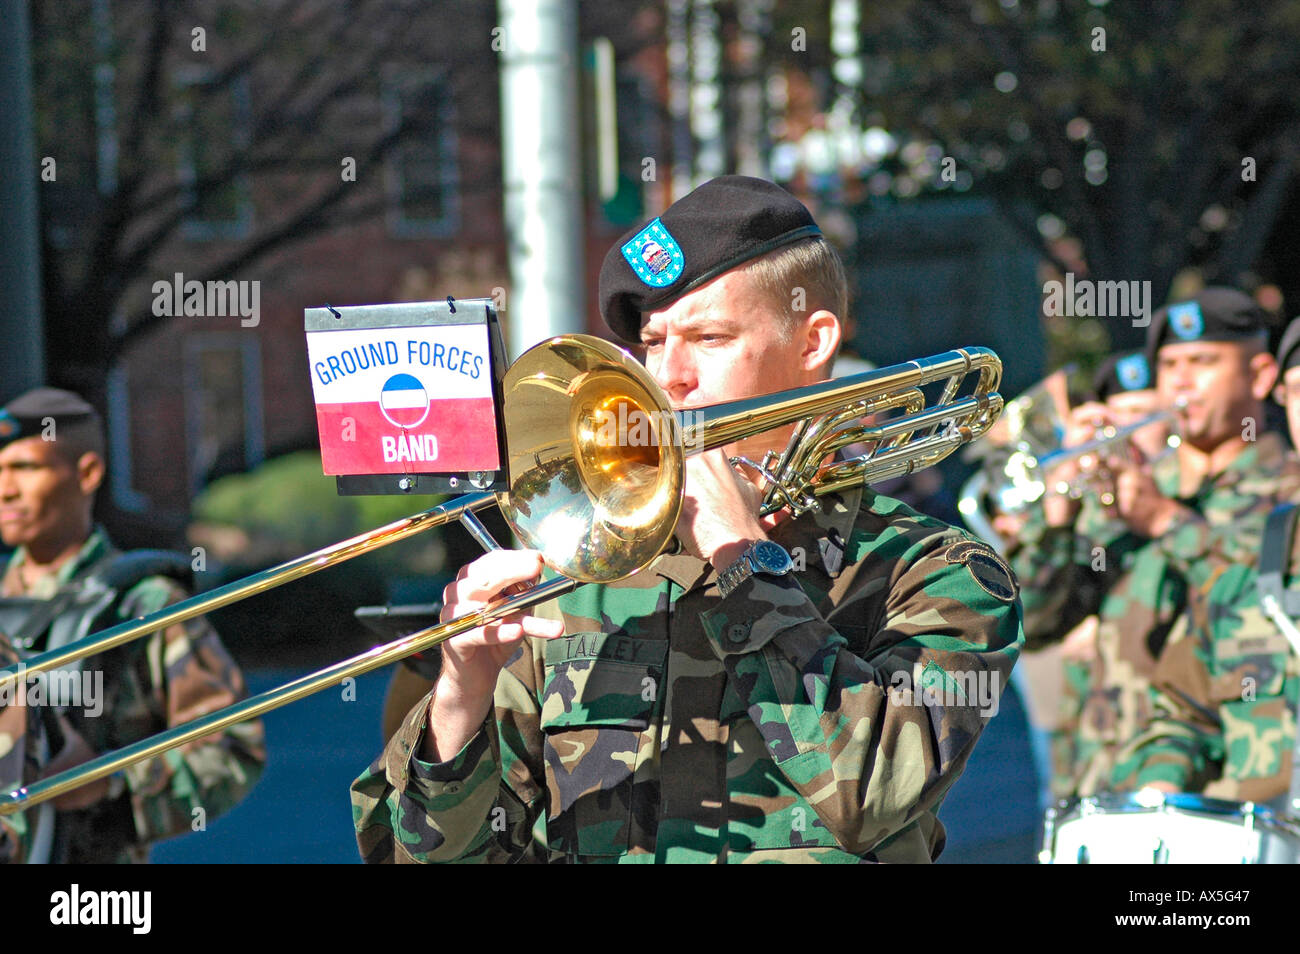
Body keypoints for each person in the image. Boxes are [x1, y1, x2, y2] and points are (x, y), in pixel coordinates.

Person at [350, 175, 1024, 863]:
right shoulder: (581, 567)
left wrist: (744, 561)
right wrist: (461, 695)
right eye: (652, 341)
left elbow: (875, 793)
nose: (667, 378)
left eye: (708, 337)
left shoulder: (934, 570)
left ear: (812, 340)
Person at [1010, 288, 1300, 799]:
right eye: (1169, 365)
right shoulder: (1125, 488)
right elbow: (1032, 624)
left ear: (1259, 376)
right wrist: (1058, 520)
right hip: (1102, 783)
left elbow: (1262, 608)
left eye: (1203, 362)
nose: (1182, 382)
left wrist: (1168, 523)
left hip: (1237, 788)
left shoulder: (1287, 491)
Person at [0, 387, 265, 863]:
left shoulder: (143, 602)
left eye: (26, 468)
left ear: (87, 473)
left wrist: (112, 783)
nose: (5, 489)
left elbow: (231, 749)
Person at [1113, 317, 1300, 801]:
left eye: (1201, 361)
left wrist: (1166, 522)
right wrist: (1159, 790)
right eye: (1299, 392)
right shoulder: (1274, 551)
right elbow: (1184, 708)